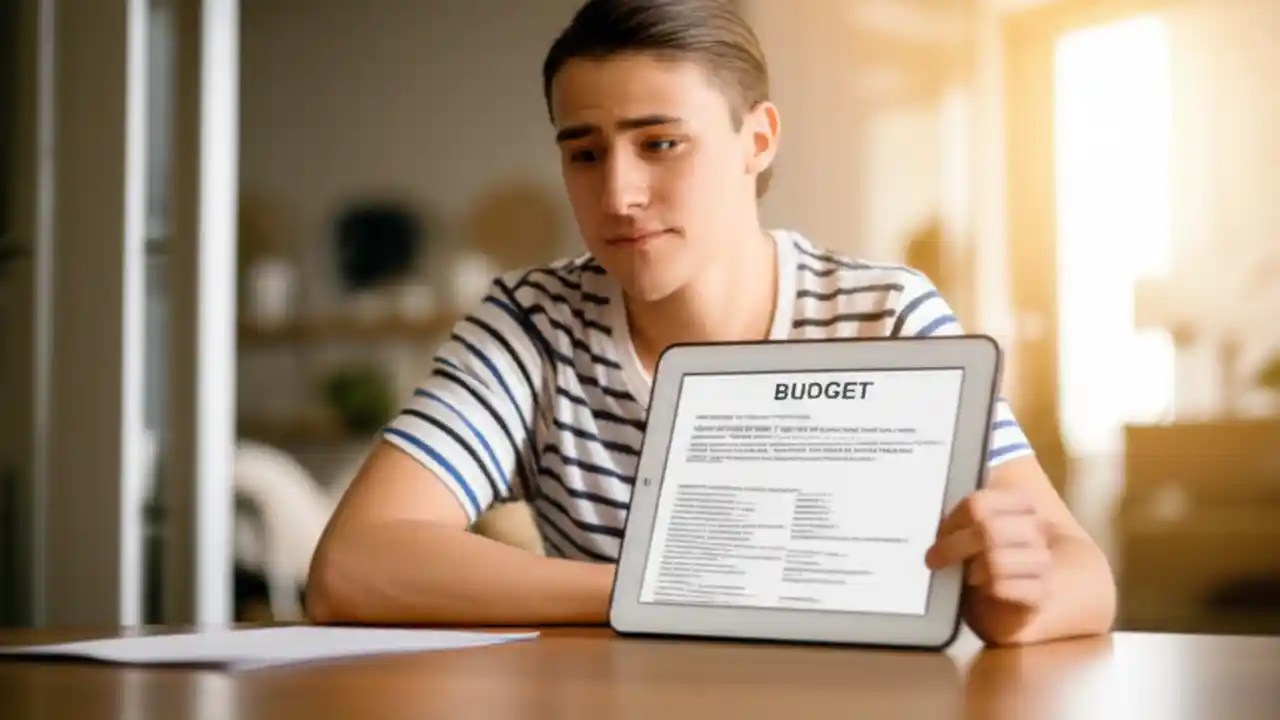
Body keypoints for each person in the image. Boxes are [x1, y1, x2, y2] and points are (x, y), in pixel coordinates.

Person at [306, 0, 1116, 646]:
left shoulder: (888, 314)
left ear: (755, 140)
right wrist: (687, 595)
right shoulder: (532, 324)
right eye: (584, 153)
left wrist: (1018, 605)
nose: (617, 194)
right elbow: (354, 567)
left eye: (660, 144)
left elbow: (1082, 575)